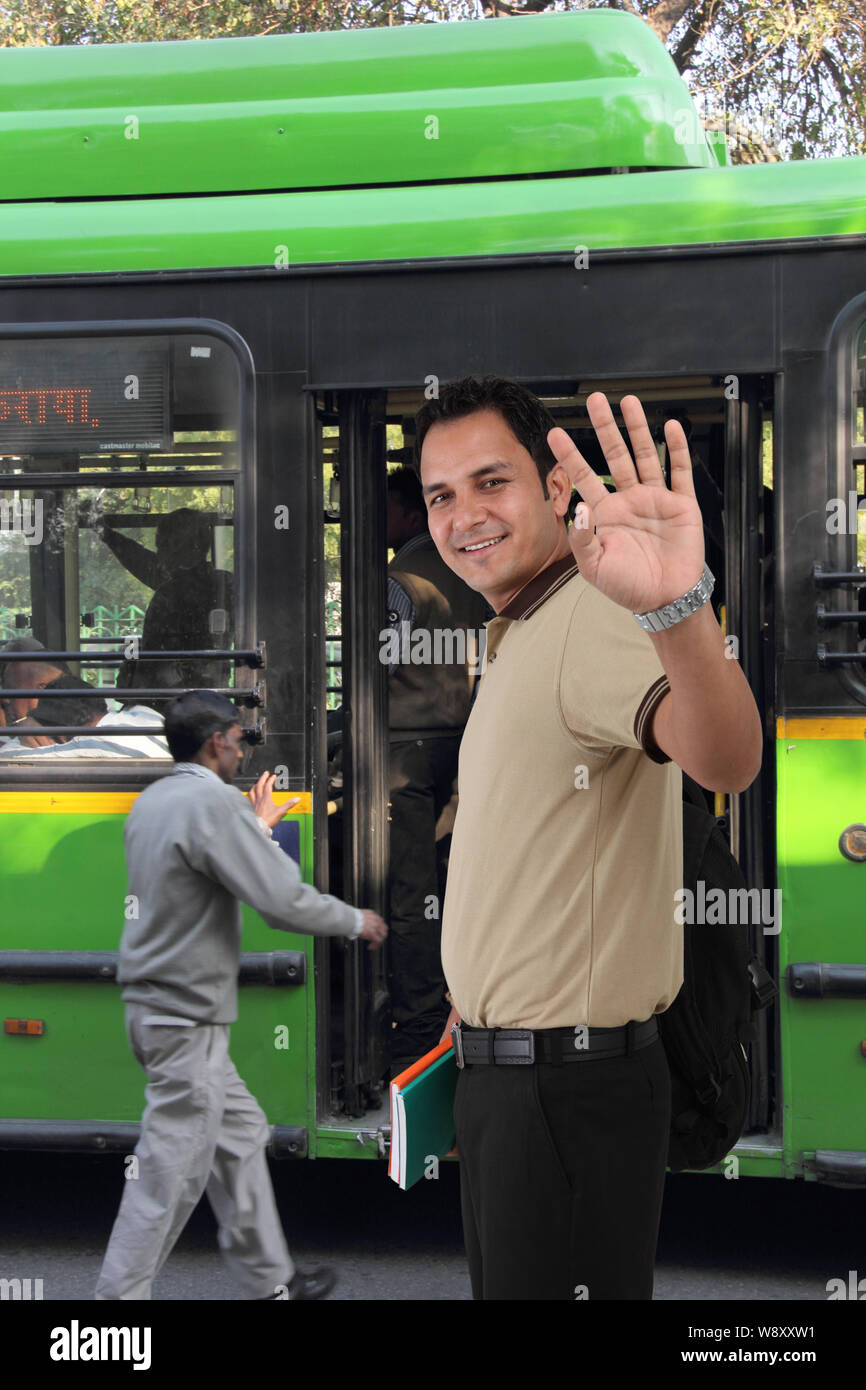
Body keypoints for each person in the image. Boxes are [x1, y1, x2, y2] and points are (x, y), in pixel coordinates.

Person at [416, 376, 762, 1301]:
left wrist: (677, 608)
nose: (463, 516)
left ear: (555, 490)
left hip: (562, 1092)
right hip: (520, 1078)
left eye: (492, 482)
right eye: (439, 495)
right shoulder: (521, 627)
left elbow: (725, 759)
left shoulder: (596, 617)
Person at [95, 690, 388, 1300]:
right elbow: (280, 903)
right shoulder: (211, 804)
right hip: (185, 1020)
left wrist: (252, 827)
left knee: (241, 1136)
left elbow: (198, 869)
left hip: (158, 1011)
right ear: (214, 744)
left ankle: (271, 1283)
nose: (242, 747)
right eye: (237, 737)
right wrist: (355, 921)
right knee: (165, 1180)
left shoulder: (156, 802)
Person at [384, 468, 491, 1073]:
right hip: (463, 738)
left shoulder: (402, 579)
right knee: (453, 882)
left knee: (409, 889)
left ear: (404, 512)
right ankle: (461, 994)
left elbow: (381, 662)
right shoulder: (473, 564)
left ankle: (419, 1021)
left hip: (403, 751)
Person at [86, 506, 234, 690]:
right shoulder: (225, 583)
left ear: (181, 549)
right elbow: (138, 559)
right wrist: (105, 533)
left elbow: (152, 657)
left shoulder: (171, 591)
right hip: (212, 691)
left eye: (162, 547)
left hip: (171, 694)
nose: (160, 556)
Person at [0, 676, 167, 758]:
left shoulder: (89, 745)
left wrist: (25, 728)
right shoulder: (142, 714)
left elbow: (10, 757)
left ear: (60, 737)